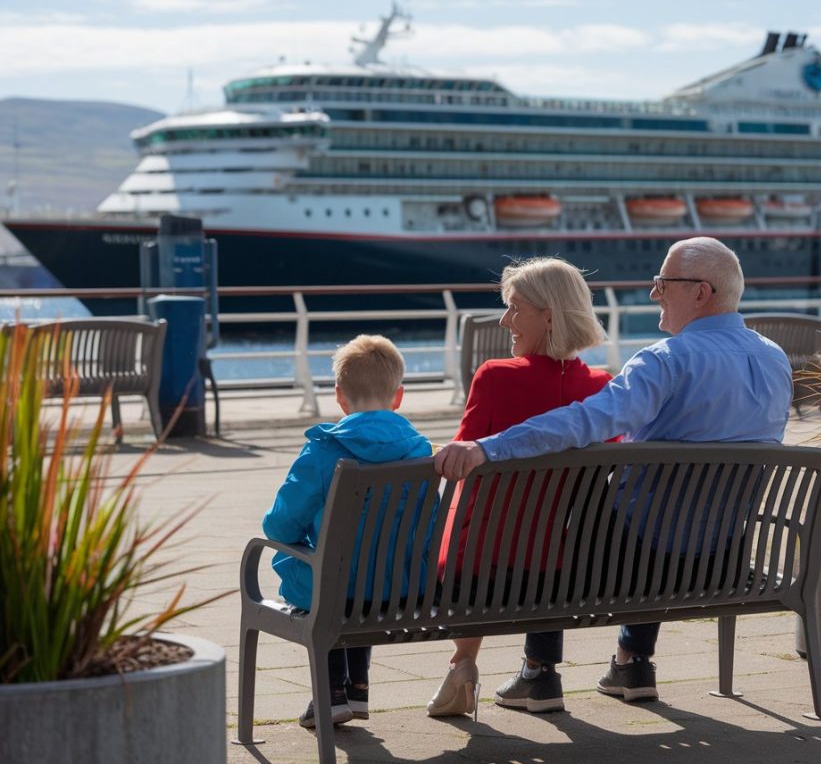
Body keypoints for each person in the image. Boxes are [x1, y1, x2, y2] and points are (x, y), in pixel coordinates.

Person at [434, 236, 792, 710]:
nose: (654, 294)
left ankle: (540, 670)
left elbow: (585, 420)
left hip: (626, 565)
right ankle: (632, 661)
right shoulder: (775, 358)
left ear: (701, 292)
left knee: (586, 502)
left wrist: (488, 447)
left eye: (664, 283)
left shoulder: (667, 360)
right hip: (722, 560)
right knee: (665, 507)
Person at [426, 257, 613, 718]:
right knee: (540, 527)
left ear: (549, 314)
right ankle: (541, 672)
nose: (507, 320)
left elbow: (460, 458)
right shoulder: (603, 388)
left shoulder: (496, 376)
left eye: (515, 308)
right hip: (559, 569)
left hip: (476, 570)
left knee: (471, 523)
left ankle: (463, 662)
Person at [262, 334, 432, 729]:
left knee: (320, 567)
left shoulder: (324, 450)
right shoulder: (420, 450)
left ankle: (331, 694)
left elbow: (279, 524)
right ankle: (357, 686)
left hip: (337, 590)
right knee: (367, 564)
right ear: (399, 396)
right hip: (399, 587)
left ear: (340, 396)